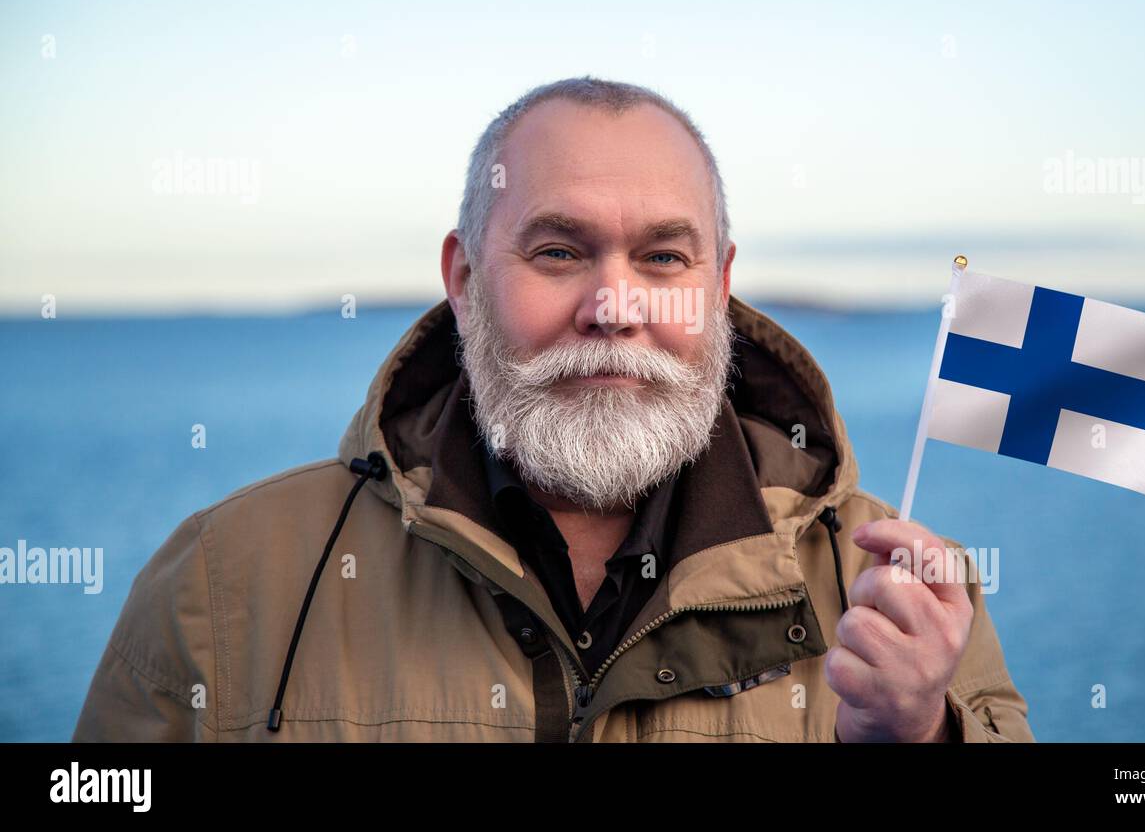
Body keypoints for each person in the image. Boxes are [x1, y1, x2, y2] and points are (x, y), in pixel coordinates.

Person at [72, 76, 1033, 742]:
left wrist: (920, 737)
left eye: (663, 258)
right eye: (560, 253)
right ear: (464, 278)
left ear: (719, 283)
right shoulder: (228, 578)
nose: (613, 307)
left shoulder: (901, 594)